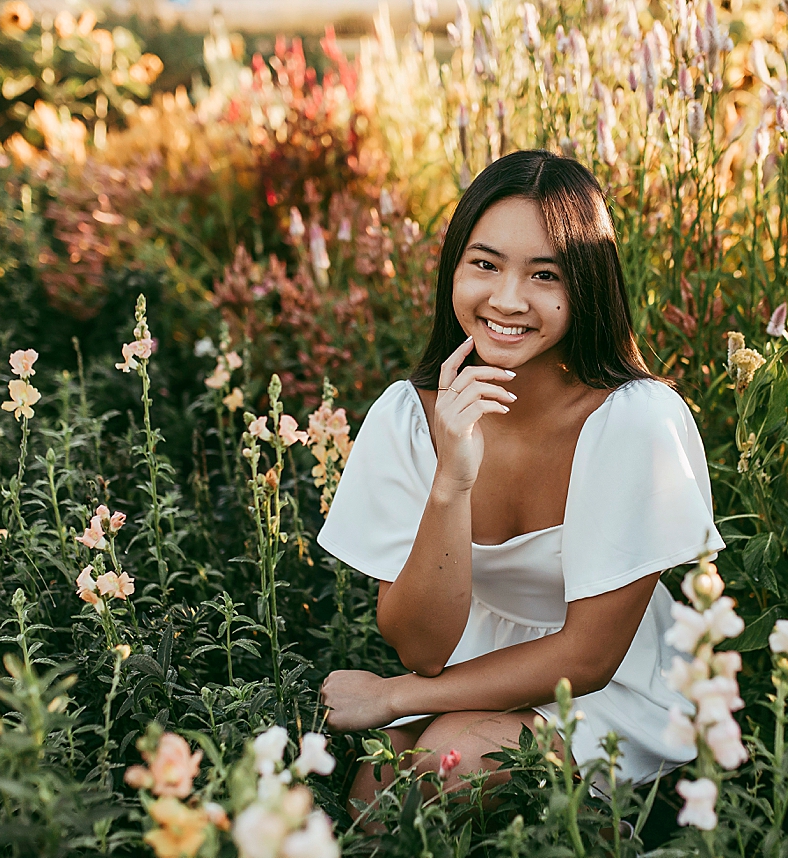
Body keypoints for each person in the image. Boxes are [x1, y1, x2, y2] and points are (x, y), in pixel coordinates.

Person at [315, 150, 725, 818]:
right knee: (377, 790)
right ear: (454, 267)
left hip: (612, 681)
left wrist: (394, 699)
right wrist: (452, 479)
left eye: (545, 275)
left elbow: (588, 656)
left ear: (587, 287)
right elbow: (421, 647)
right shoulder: (409, 416)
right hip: (464, 662)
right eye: (485, 264)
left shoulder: (634, 422)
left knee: (446, 764)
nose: (507, 299)